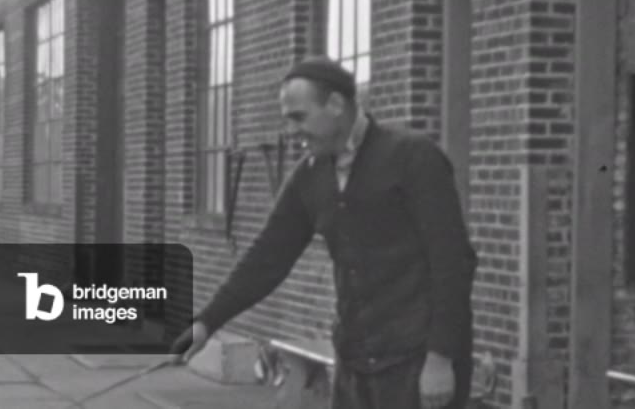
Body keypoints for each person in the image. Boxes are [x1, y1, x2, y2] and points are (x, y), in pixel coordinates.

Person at [170, 56, 478, 409]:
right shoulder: (310, 176)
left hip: (416, 364)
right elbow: (266, 258)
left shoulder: (413, 157)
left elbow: (453, 262)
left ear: (335, 105)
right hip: (355, 363)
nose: (291, 130)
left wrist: (440, 358)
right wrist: (207, 323)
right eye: (287, 119)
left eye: (299, 117)